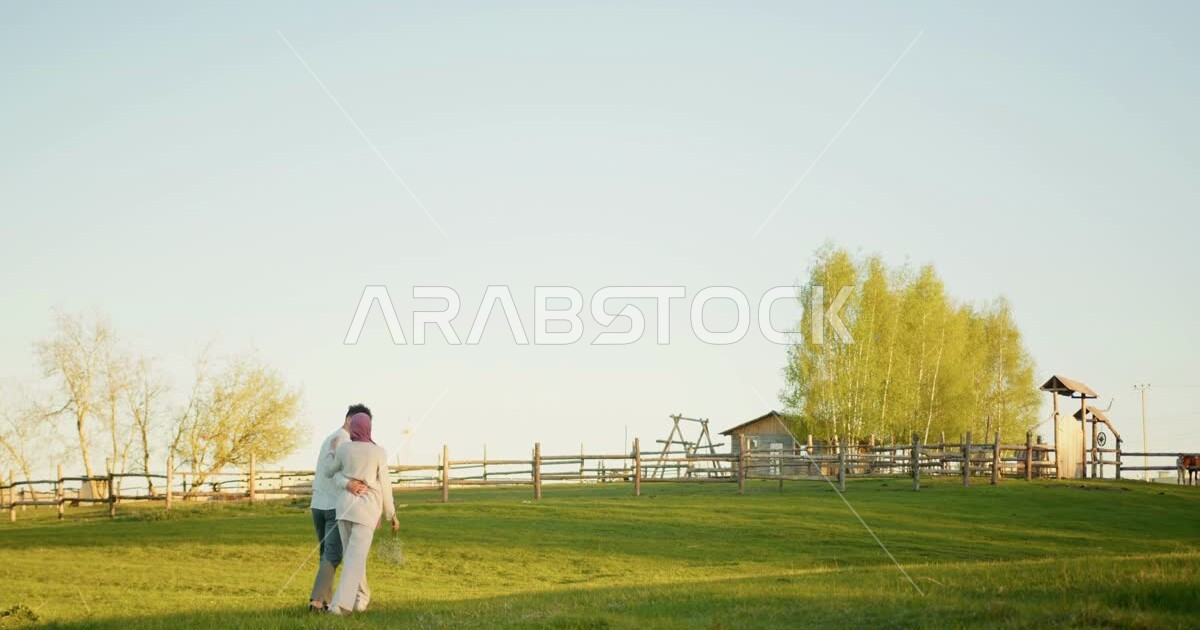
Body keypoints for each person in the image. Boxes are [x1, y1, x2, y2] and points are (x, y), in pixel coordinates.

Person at [325, 412, 399, 615]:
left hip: (344, 508)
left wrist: (332, 455)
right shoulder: (378, 452)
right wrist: (391, 515)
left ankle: (360, 598)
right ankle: (341, 606)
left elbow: (329, 472)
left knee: (354, 557)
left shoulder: (343, 449)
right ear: (369, 428)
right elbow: (386, 485)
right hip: (366, 510)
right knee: (354, 558)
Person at [306, 403, 369, 612]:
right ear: (350, 420)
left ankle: (325, 600)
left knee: (326, 554)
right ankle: (316, 601)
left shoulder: (330, 439)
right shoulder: (345, 444)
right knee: (332, 555)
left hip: (317, 505)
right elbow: (339, 475)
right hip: (334, 505)